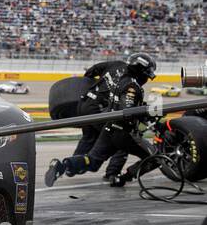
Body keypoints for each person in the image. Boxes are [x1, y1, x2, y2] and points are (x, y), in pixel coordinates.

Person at [45, 53, 158, 188]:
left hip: (96, 114)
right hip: (118, 130)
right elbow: (127, 112)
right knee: (154, 157)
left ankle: (64, 165)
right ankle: (119, 176)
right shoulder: (132, 86)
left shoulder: (119, 73)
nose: (147, 78)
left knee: (92, 161)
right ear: (141, 71)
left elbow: (92, 71)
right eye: (147, 75)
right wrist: (147, 115)